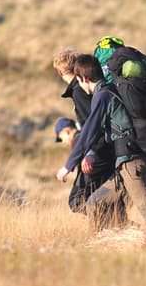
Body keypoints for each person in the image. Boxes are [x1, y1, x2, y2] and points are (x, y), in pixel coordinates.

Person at [58, 53, 146, 236]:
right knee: (95, 203)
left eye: (78, 81)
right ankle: (101, 245)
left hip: (132, 164)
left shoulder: (102, 96)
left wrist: (68, 166)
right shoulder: (110, 90)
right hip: (125, 165)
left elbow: (89, 131)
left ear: (84, 78)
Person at [52, 48, 128, 231]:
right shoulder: (85, 88)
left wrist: (89, 152)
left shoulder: (79, 92)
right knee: (101, 197)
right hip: (108, 150)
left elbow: (91, 125)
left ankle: (115, 229)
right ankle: (118, 229)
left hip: (98, 153)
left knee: (77, 200)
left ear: (60, 72)